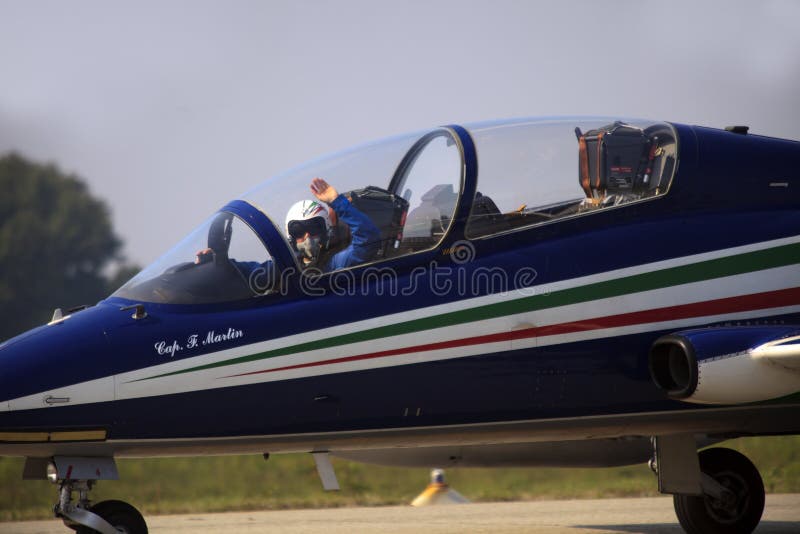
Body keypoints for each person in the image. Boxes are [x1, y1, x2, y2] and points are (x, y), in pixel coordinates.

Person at [196, 177, 380, 275]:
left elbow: (368, 239)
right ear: (290, 235)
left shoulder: (335, 264)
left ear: (326, 231)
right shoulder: (283, 269)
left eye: (314, 228)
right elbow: (244, 272)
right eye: (298, 231)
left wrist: (336, 201)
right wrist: (215, 263)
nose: (307, 237)